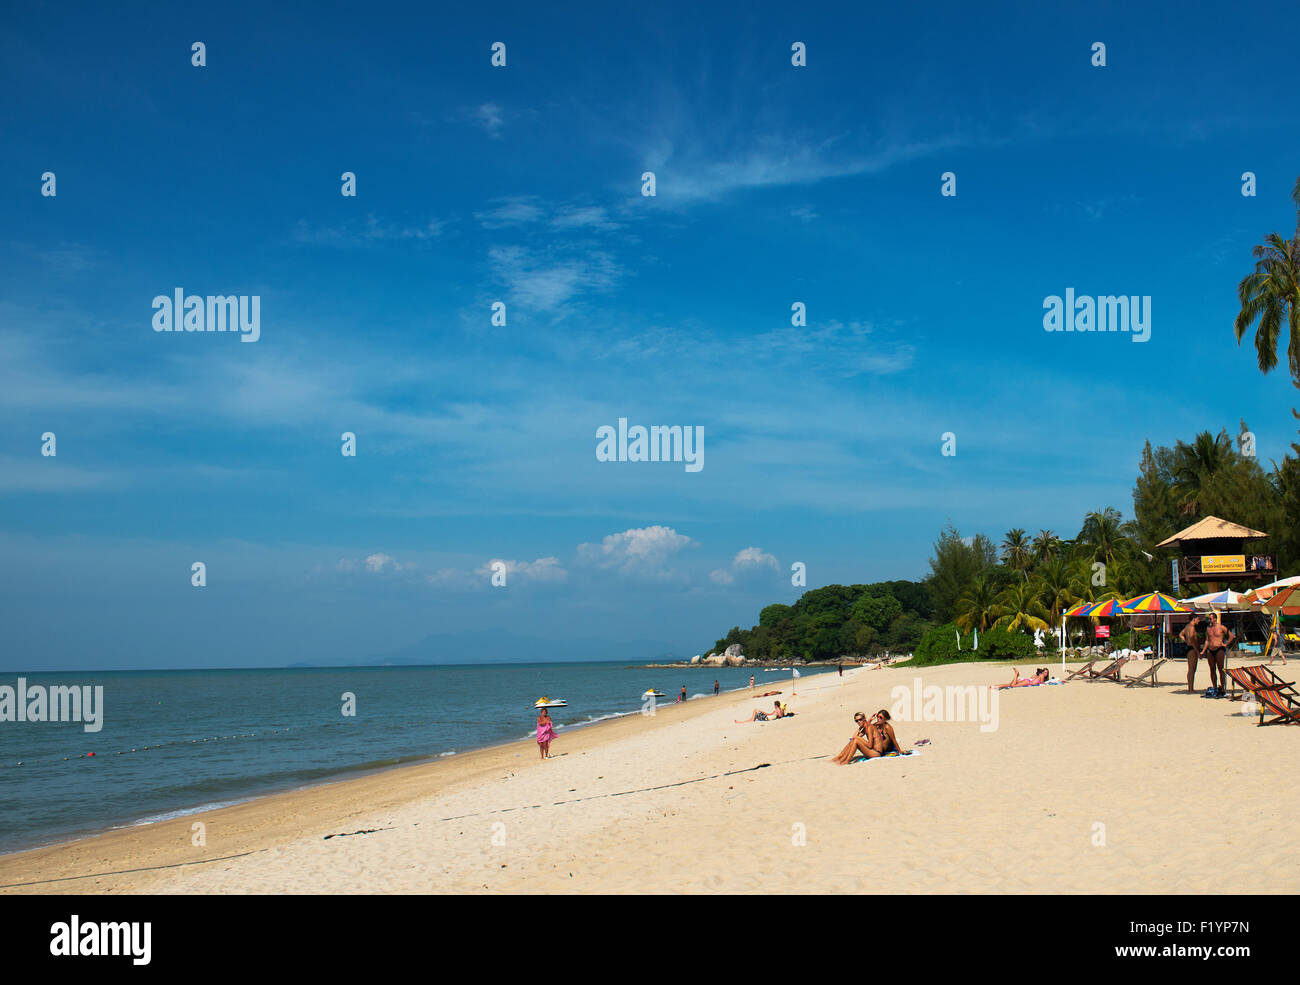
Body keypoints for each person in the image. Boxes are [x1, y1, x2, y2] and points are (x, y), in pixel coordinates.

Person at [831, 710, 900, 764]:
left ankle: (845, 760)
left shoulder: (887, 727)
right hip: (874, 750)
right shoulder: (875, 725)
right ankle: (839, 758)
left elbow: (894, 740)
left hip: (879, 751)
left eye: (880, 717)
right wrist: (865, 723)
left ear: (885, 719)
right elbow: (854, 737)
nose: (878, 719)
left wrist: (900, 751)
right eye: (856, 721)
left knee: (856, 740)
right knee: (855, 739)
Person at [1202, 612, 1236, 698]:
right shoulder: (1208, 628)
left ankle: (1223, 688)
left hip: (1219, 649)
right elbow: (1207, 640)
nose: (1209, 620)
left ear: (1215, 619)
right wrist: (1203, 651)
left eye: (1210, 618)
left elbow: (1231, 636)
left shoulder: (1221, 627)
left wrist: (1226, 644)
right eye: (1208, 618)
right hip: (1210, 650)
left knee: (1221, 669)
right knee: (1212, 669)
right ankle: (1215, 687)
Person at [1180, 616, 1205, 694]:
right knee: (1192, 669)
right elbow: (1191, 639)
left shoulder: (1187, 626)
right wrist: (1197, 651)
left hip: (1189, 648)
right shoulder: (1192, 627)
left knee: (1192, 668)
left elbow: (1180, 634)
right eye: (1198, 619)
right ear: (1194, 619)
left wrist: (1185, 640)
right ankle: (1190, 688)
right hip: (1192, 649)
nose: (1199, 620)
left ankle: (1191, 688)